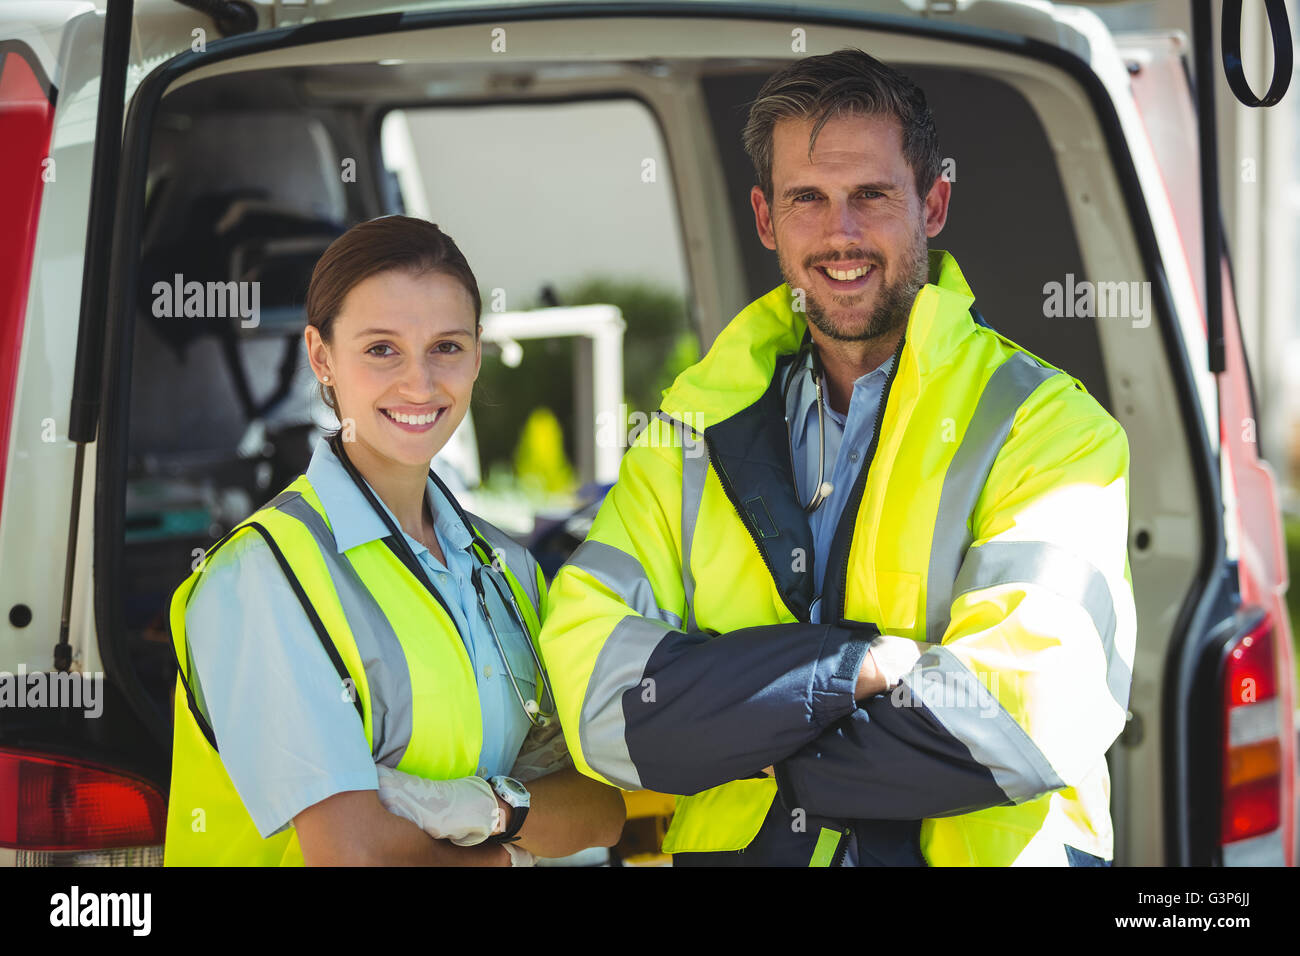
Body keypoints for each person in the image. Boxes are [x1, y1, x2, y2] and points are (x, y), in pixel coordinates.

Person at [539, 49, 1136, 866]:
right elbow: (601, 704)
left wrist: (726, 727)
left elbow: (1016, 719)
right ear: (765, 218)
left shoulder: (1048, 426)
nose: (840, 233)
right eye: (807, 199)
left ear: (933, 204)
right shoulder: (686, 434)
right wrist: (854, 669)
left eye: (872, 196)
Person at [163, 215, 625, 865]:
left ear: (478, 353)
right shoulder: (263, 579)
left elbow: (598, 810)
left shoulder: (505, 568)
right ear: (321, 357)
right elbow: (356, 857)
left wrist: (487, 807)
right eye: (382, 349)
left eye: (447, 347)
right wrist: (517, 847)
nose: (420, 384)